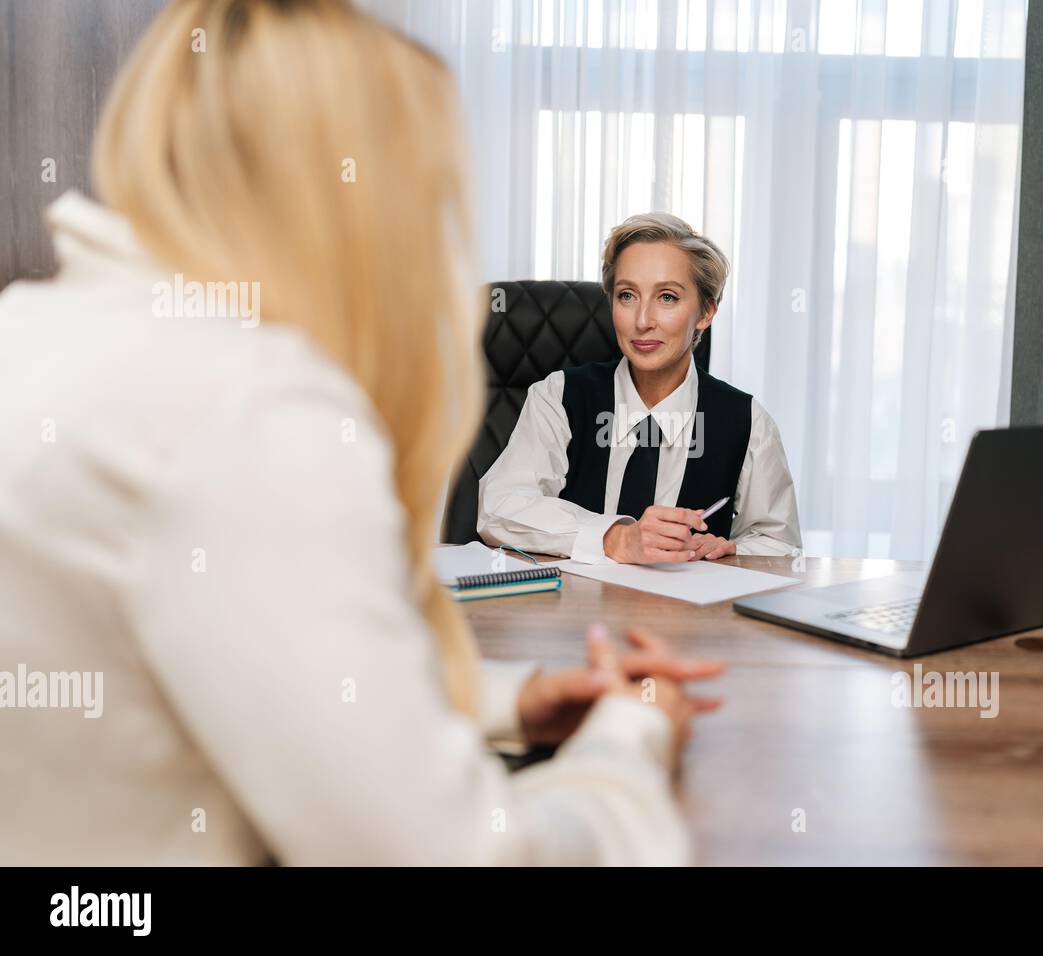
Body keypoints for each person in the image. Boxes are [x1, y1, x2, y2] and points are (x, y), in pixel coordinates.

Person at [0, 0, 721, 865]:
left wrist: (508, 701)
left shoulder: (38, 332)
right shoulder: (245, 406)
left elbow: (245, 667)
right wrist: (629, 743)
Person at [478, 213, 802, 564]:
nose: (643, 321)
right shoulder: (557, 397)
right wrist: (612, 538)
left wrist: (734, 550)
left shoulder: (748, 421)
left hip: (688, 614)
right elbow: (500, 507)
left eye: (667, 297)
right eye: (627, 295)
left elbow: (780, 545)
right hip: (573, 610)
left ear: (706, 311)